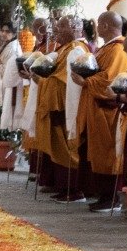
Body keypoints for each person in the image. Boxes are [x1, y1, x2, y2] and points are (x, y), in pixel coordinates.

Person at [76, 11, 127, 210]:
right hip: (97, 108)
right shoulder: (106, 49)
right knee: (99, 153)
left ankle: (111, 198)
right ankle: (103, 196)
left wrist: (85, 81)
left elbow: (109, 79)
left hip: (108, 109)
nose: (97, 28)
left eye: (99, 24)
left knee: (108, 153)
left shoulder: (118, 50)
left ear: (106, 26)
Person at [29, 17, 85, 200]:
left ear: (74, 28)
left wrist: (41, 82)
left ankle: (73, 189)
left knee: (67, 146)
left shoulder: (77, 50)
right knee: (59, 146)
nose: (56, 30)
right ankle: (62, 186)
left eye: (61, 27)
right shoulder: (63, 49)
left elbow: (61, 81)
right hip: (56, 103)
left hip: (65, 105)